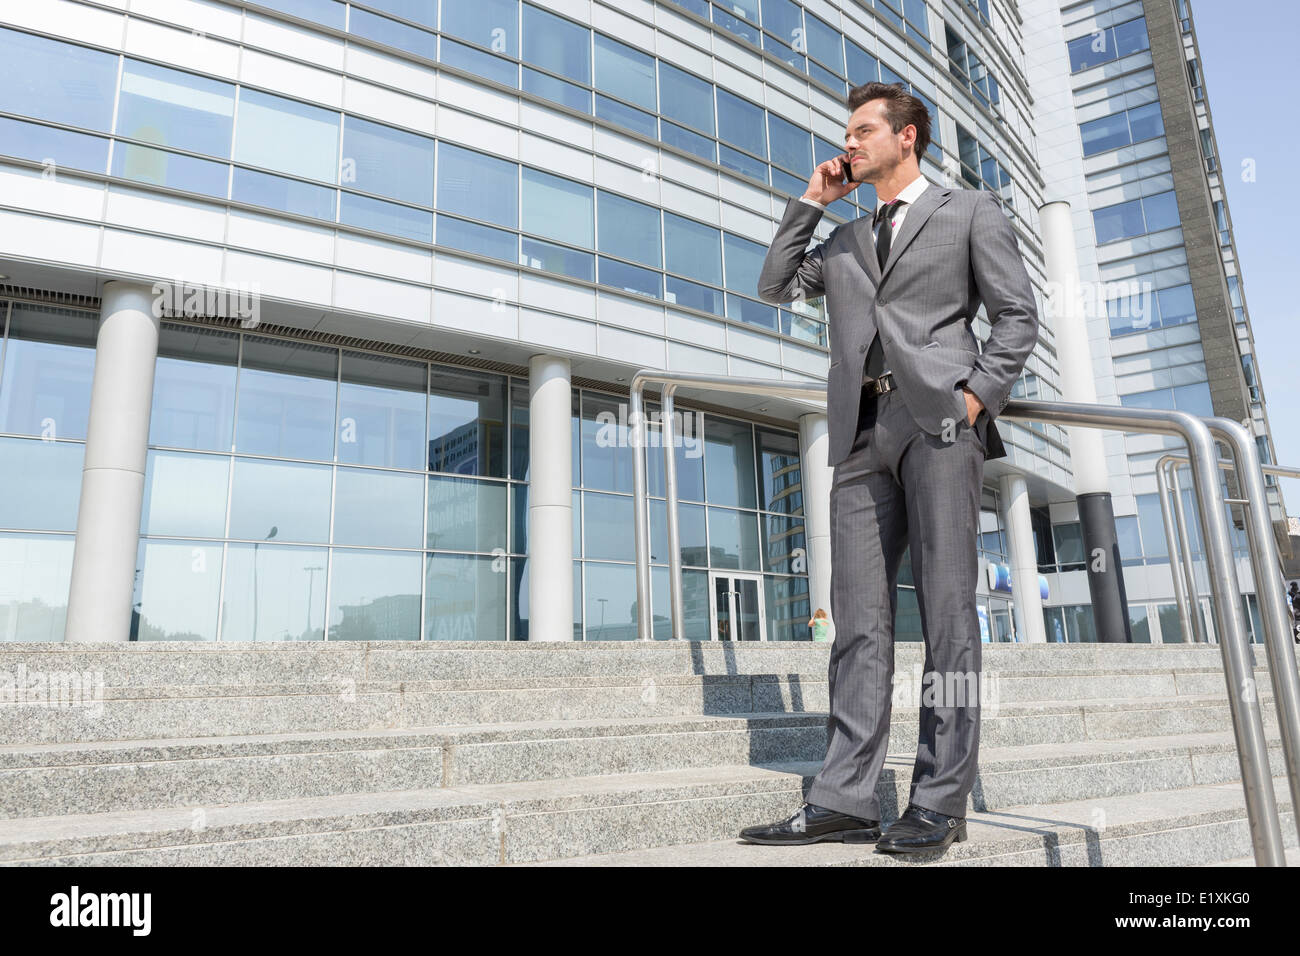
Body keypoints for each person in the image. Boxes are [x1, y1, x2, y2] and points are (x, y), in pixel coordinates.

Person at [738, 82, 1038, 853]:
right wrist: (811, 200)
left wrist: (975, 400)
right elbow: (774, 286)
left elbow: (1016, 316)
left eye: (864, 130)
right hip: (860, 434)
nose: (850, 144)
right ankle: (844, 797)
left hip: (939, 423)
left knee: (947, 617)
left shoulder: (969, 211)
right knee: (858, 623)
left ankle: (939, 798)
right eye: (848, 133)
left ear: (908, 138)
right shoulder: (840, 241)